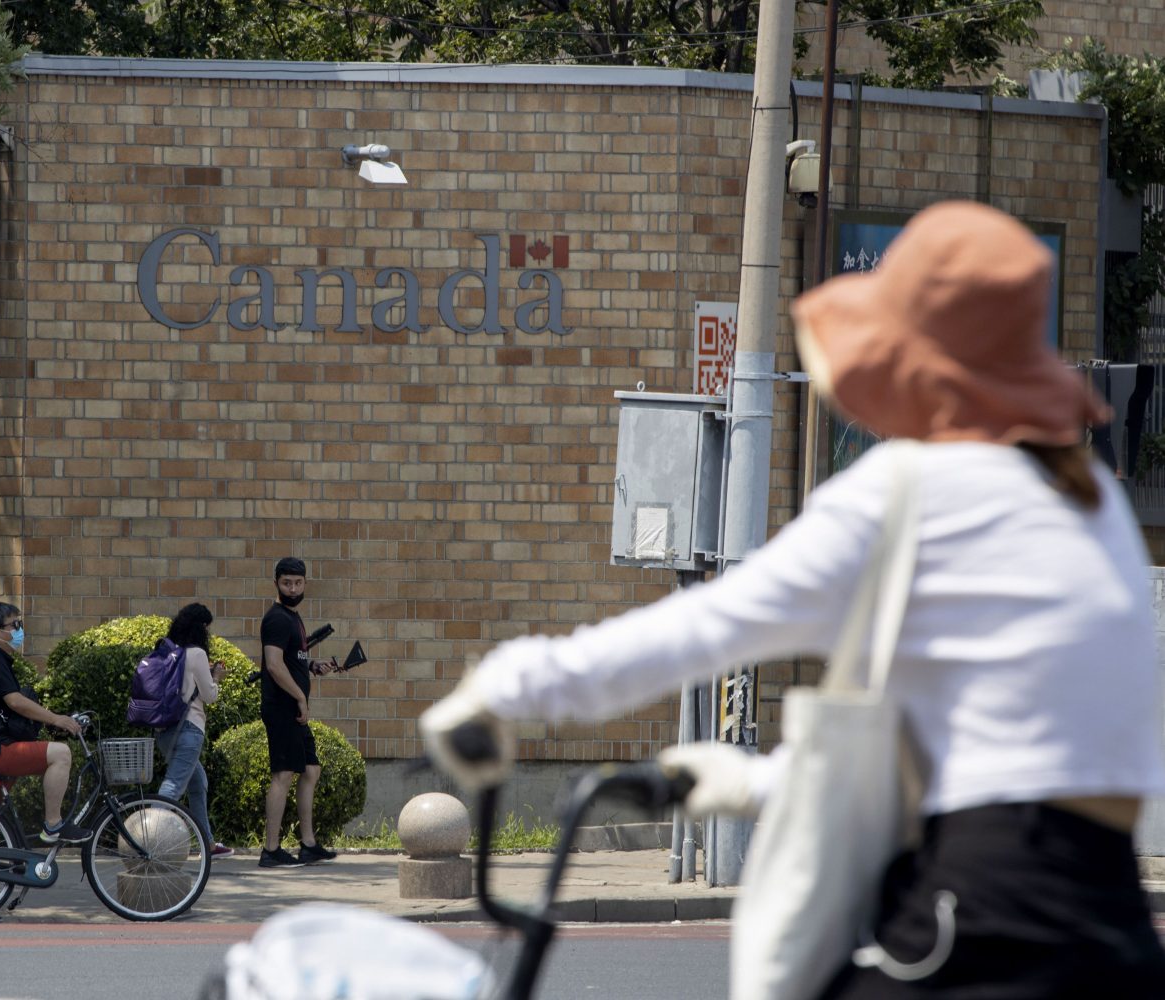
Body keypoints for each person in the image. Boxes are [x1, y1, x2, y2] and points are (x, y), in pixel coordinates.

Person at [420, 201, 1165, 997]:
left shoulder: (913, 491)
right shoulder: (1089, 504)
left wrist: (504, 686)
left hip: (981, 916)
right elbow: (1003, 760)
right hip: (1110, 930)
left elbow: (705, 628)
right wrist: (753, 784)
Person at [0, 601, 88, 844]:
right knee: (61, 754)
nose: (20, 630)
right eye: (15, 624)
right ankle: (53, 825)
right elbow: (16, 702)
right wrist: (56, 719)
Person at [258, 556, 339, 868]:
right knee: (283, 775)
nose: (293, 588)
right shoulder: (277, 618)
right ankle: (270, 850)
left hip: (294, 708)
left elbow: (292, 660)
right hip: (283, 708)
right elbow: (275, 666)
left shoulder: (294, 618)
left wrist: (315, 667)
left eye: (298, 582)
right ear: (277, 583)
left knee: (310, 769)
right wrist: (300, 699)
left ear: (305, 583)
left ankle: (308, 844)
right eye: (286, 583)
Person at [154, 602, 234, 859]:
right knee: (173, 787)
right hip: (189, 728)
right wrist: (217, 678)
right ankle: (146, 839)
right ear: (201, 628)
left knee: (198, 783)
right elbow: (209, 696)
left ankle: (208, 844)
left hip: (166, 730)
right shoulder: (197, 654)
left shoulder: (168, 650)